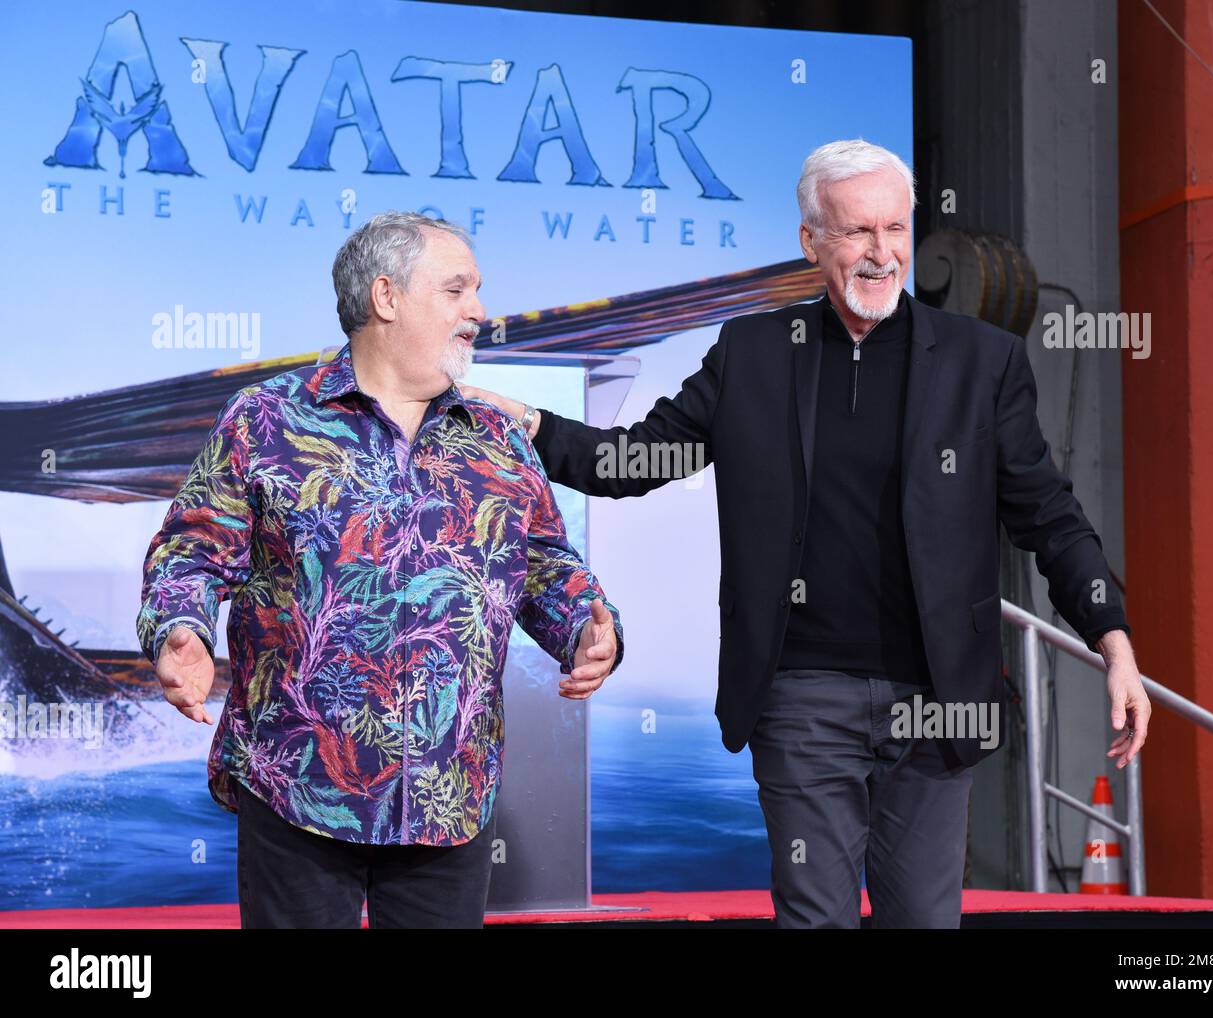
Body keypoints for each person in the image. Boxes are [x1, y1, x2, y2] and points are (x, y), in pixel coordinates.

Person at [459, 139, 1150, 929]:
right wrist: (532, 424)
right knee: (815, 917)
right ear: (811, 241)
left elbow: (1047, 512)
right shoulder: (753, 353)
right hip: (802, 693)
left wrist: (1113, 638)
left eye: (896, 229)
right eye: (857, 232)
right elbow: (641, 458)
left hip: (939, 701)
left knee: (922, 921)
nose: (881, 252)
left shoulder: (980, 362)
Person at [137, 211, 623, 928]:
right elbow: (192, 547)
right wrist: (180, 627)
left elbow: (547, 566)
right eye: (457, 289)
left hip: (448, 798)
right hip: (296, 786)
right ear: (386, 297)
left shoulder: (497, 438)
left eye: (478, 290)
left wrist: (586, 629)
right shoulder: (267, 419)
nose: (479, 311)